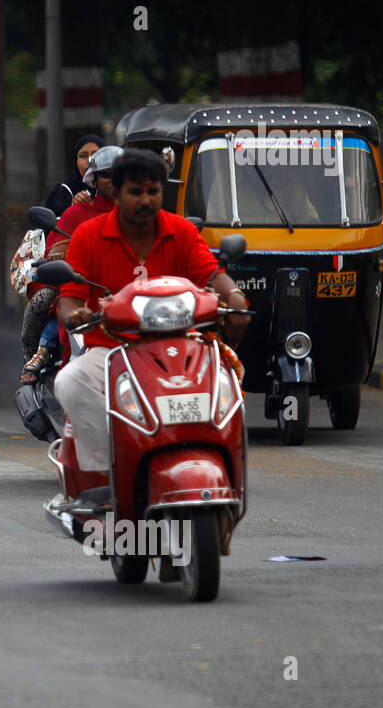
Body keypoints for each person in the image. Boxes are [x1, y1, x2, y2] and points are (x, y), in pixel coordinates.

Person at [54, 149, 250, 480]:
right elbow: (68, 301)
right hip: (111, 351)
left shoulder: (183, 231)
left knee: (225, 383)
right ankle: (102, 476)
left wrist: (234, 296)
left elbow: (212, 273)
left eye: (153, 191)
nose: (145, 200)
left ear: (163, 191)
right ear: (116, 193)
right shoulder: (88, 235)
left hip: (181, 348)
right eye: (135, 192)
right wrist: (76, 315)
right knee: (71, 381)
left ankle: (225, 472)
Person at [20, 145, 122, 382]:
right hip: (84, 293)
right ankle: (39, 353)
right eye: (106, 174)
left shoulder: (143, 217)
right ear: (94, 180)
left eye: (121, 174)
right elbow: (55, 248)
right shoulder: (77, 213)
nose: (114, 181)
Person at [43, 134, 103, 218]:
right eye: (83, 155)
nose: (90, 160)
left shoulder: (113, 189)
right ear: (76, 161)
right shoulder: (64, 191)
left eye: (96, 155)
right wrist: (73, 209)